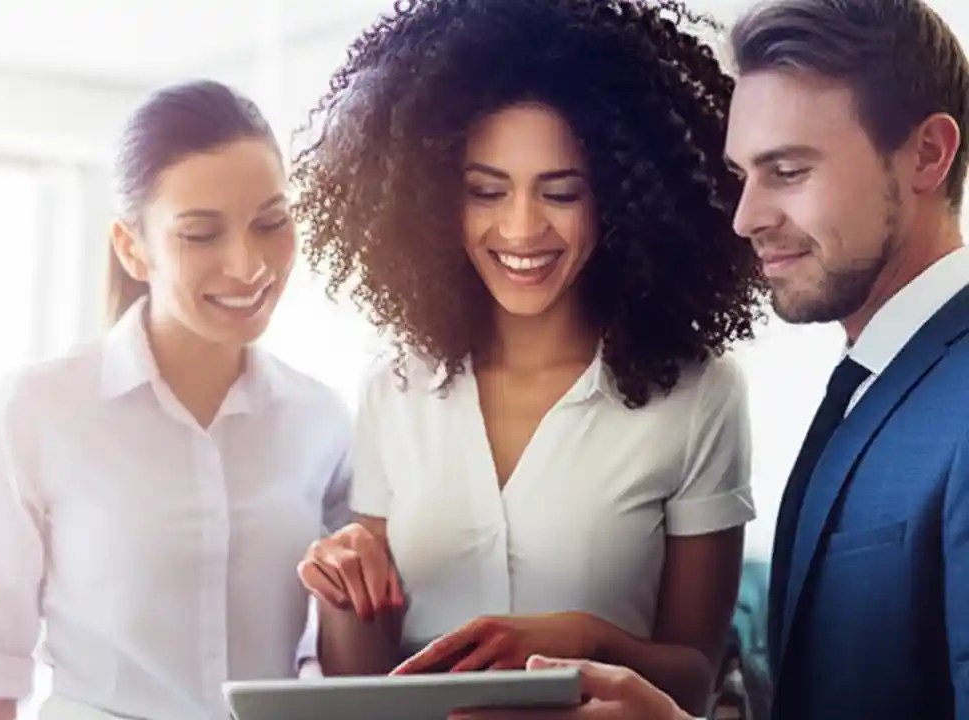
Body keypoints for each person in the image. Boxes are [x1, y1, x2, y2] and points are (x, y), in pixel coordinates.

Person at [457, 0, 969, 718]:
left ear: (927, 155)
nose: (746, 216)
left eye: (787, 171)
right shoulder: (874, 385)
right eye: (742, 175)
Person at [289, 0, 767, 715]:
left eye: (561, 191)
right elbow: (364, 685)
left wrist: (585, 639)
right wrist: (344, 595)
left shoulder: (699, 396)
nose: (520, 228)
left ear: (620, 196)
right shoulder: (396, 389)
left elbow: (694, 681)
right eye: (487, 191)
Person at [0, 80, 352, 720]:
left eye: (271, 223)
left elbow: (339, 653)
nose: (248, 265)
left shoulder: (322, 423)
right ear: (131, 247)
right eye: (201, 234)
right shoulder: (37, 411)